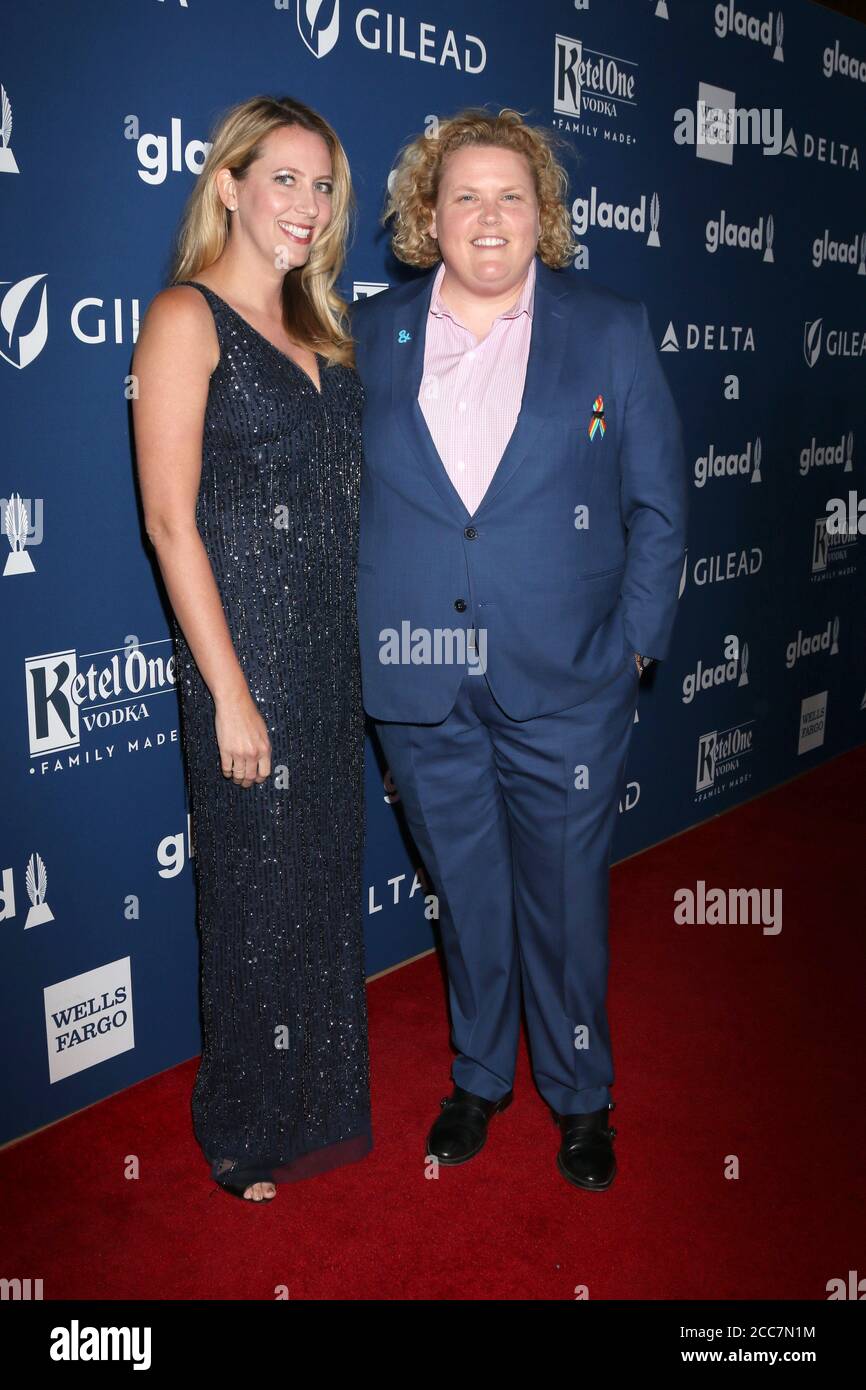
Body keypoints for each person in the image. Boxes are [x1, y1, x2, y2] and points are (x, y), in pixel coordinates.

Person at [350, 107, 688, 1192]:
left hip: (568, 683)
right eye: (463, 196)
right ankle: (478, 1075)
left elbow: (658, 508)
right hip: (416, 678)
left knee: (564, 901)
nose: (486, 217)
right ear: (425, 215)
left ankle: (581, 1096)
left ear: (541, 215)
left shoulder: (609, 325)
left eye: (510, 195)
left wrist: (633, 649)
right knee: (466, 895)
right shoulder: (369, 334)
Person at [132, 95, 372, 1203]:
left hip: (329, 654)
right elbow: (170, 521)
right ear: (228, 184)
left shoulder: (321, 329)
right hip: (250, 655)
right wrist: (228, 692)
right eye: (284, 178)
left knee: (317, 886)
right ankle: (239, 1126)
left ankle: (317, 1103)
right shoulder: (185, 317)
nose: (307, 205)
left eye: (322, 186)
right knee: (249, 897)